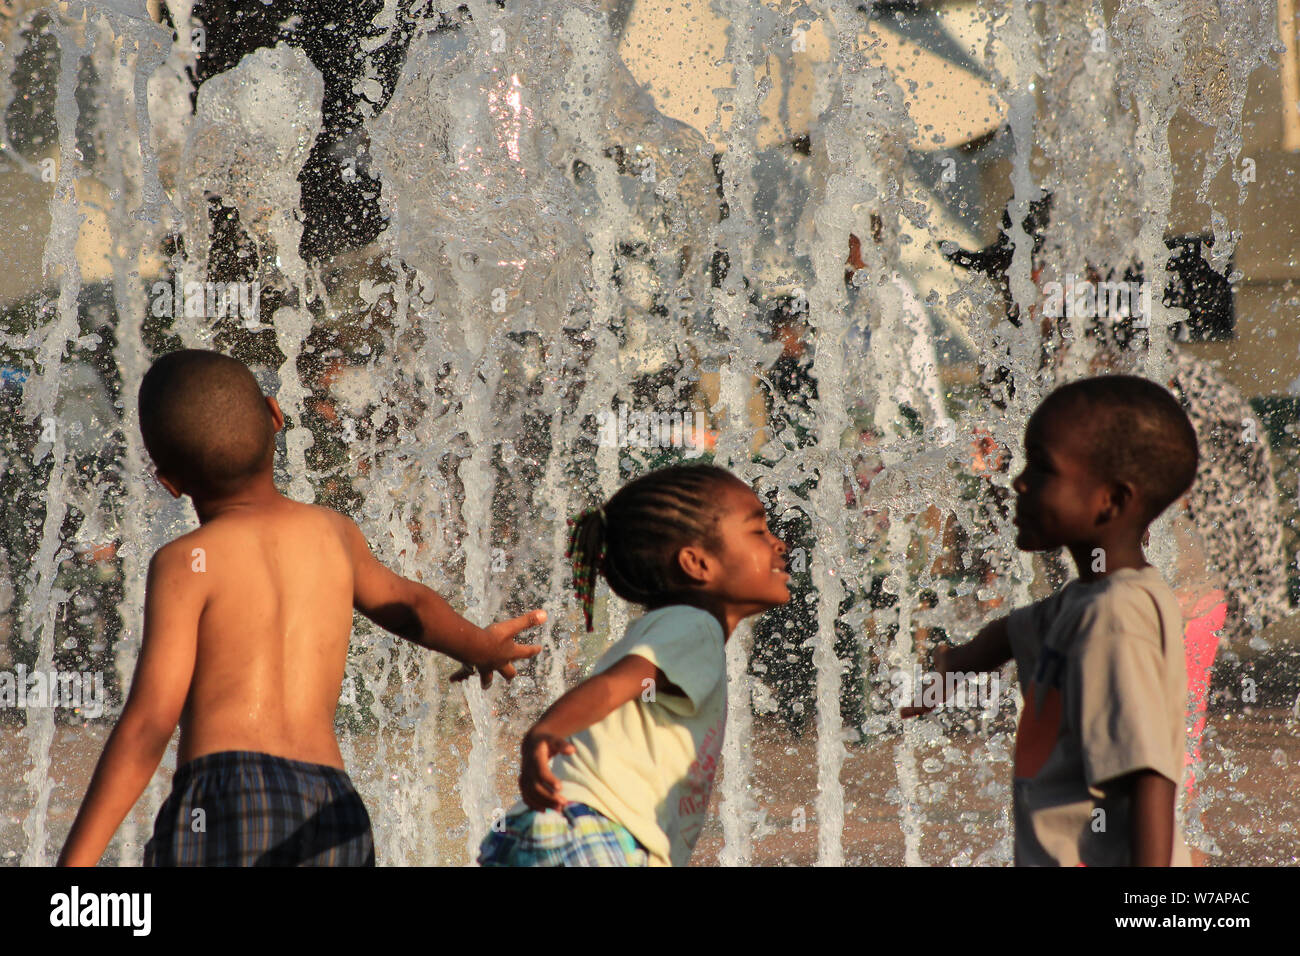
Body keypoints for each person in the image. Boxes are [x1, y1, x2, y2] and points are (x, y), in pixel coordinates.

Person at [57, 349, 544, 866]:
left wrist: (76, 865)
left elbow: (150, 722)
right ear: (275, 415)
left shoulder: (186, 563)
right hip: (331, 804)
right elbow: (410, 605)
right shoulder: (333, 534)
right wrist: (482, 645)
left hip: (227, 798)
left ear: (168, 481)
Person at [902, 375, 1198, 866]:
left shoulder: (1115, 615)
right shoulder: (1088, 598)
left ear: (1111, 500)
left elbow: (1149, 777)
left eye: (1041, 468)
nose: (1019, 481)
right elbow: (1015, 629)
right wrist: (955, 665)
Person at [478, 463, 790, 866]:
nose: (779, 544)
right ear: (697, 563)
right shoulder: (694, 627)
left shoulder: (671, 627)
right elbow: (616, 684)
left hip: (557, 828)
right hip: (592, 832)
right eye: (758, 531)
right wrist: (544, 733)